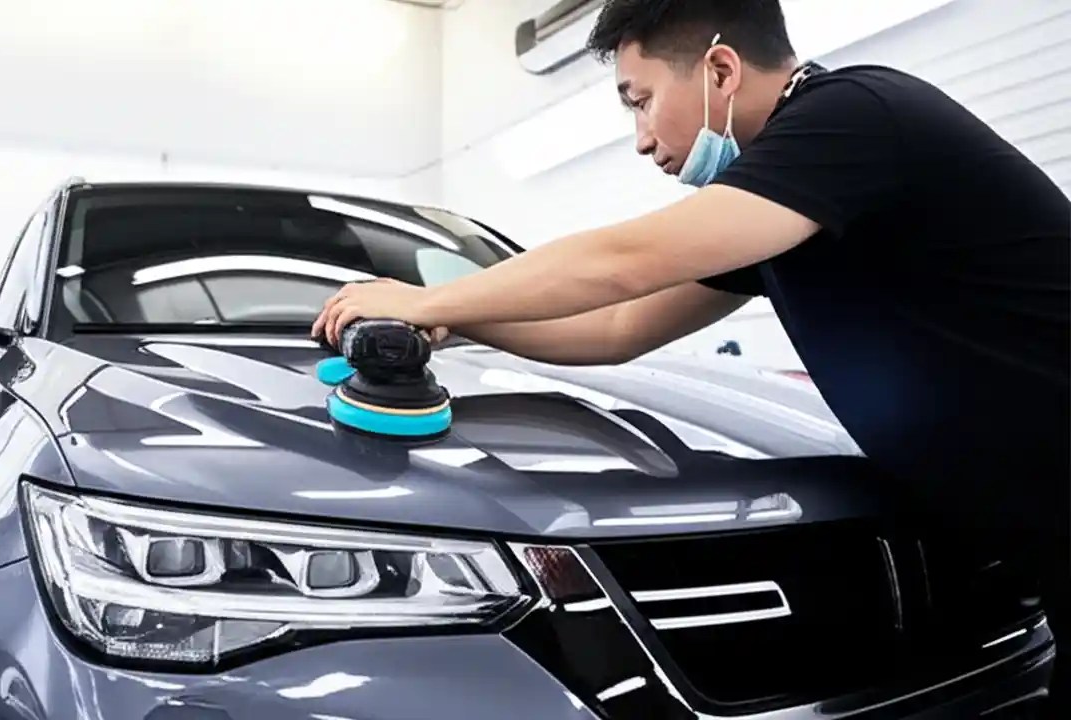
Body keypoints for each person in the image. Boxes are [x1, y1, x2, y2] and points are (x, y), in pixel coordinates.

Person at [313, 0, 1069, 708]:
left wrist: (428, 299)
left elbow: (622, 262)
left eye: (638, 100)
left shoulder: (855, 118)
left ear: (720, 72)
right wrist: (466, 322)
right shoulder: (787, 208)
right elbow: (616, 327)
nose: (641, 138)